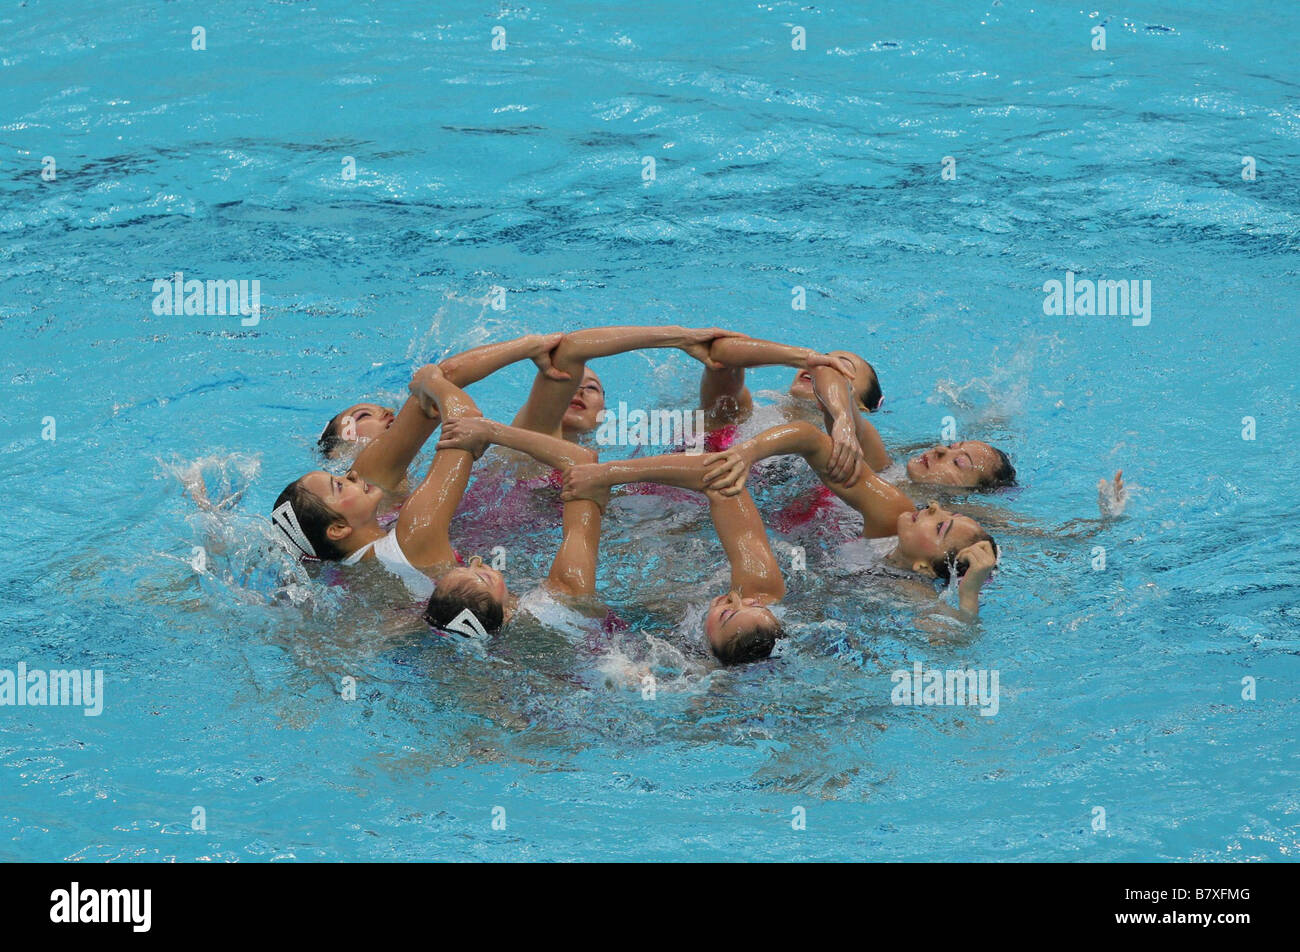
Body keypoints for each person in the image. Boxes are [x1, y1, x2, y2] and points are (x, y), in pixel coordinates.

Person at [559, 451, 789, 664]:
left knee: (571, 601)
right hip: (661, 532)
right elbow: (721, 472)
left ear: (710, 649)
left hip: (635, 611)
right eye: (756, 605)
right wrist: (608, 474)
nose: (734, 597)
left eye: (727, 614)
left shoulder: (676, 660)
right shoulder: (761, 587)